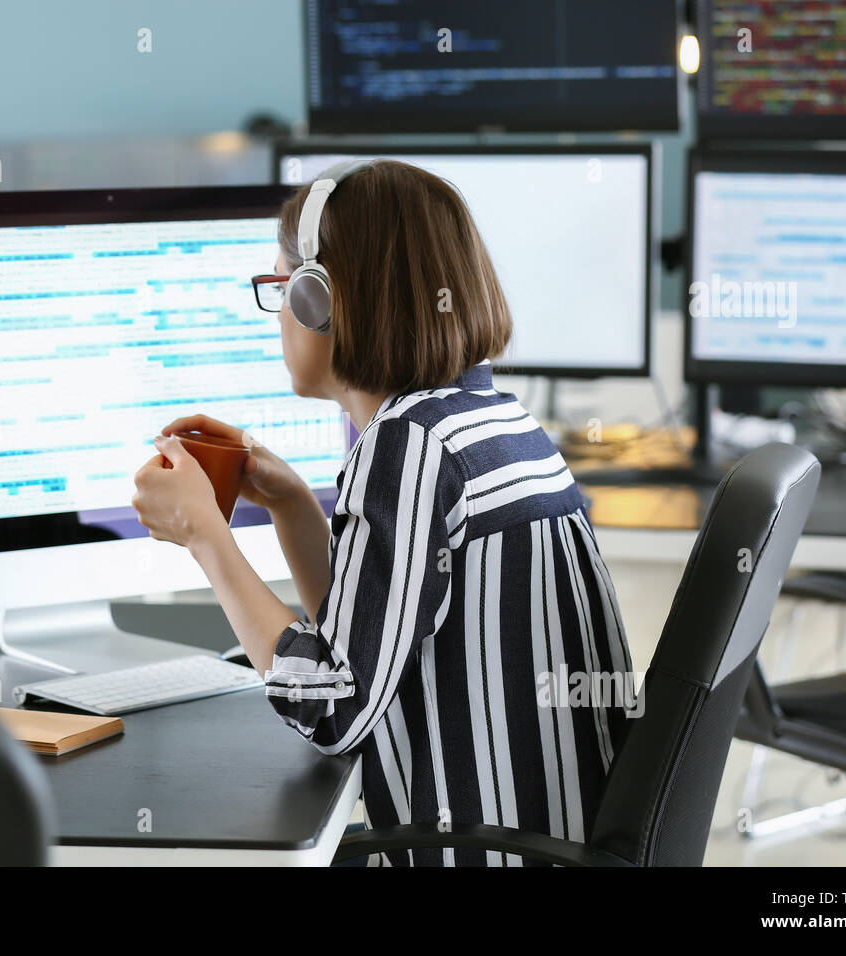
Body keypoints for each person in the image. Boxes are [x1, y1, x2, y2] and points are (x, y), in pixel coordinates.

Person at [130, 160, 633, 866]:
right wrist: (294, 506)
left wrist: (206, 537)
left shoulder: (409, 446)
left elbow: (331, 707)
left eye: (281, 289)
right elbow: (370, 644)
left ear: (320, 301)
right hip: (547, 845)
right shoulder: (488, 422)